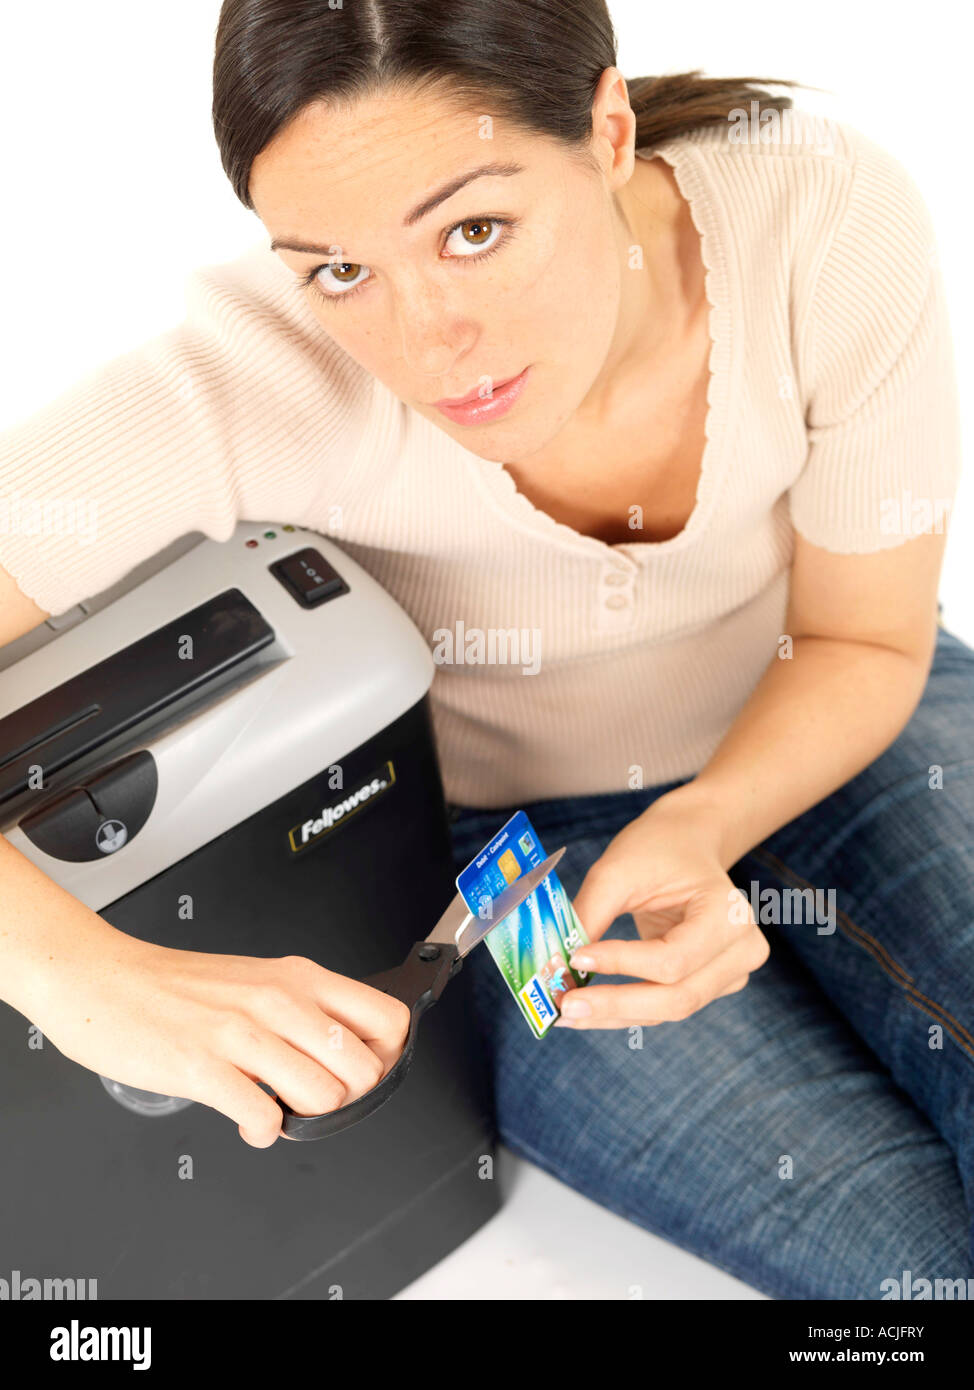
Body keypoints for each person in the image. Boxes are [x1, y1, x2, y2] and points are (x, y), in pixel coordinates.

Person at [0, 0, 969, 1299]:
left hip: (839, 707)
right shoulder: (239, 385)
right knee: (912, 1265)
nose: (424, 343)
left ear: (607, 129)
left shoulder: (821, 218)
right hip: (495, 867)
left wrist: (701, 824)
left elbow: (862, 631)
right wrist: (87, 982)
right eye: (338, 269)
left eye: (472, 230)